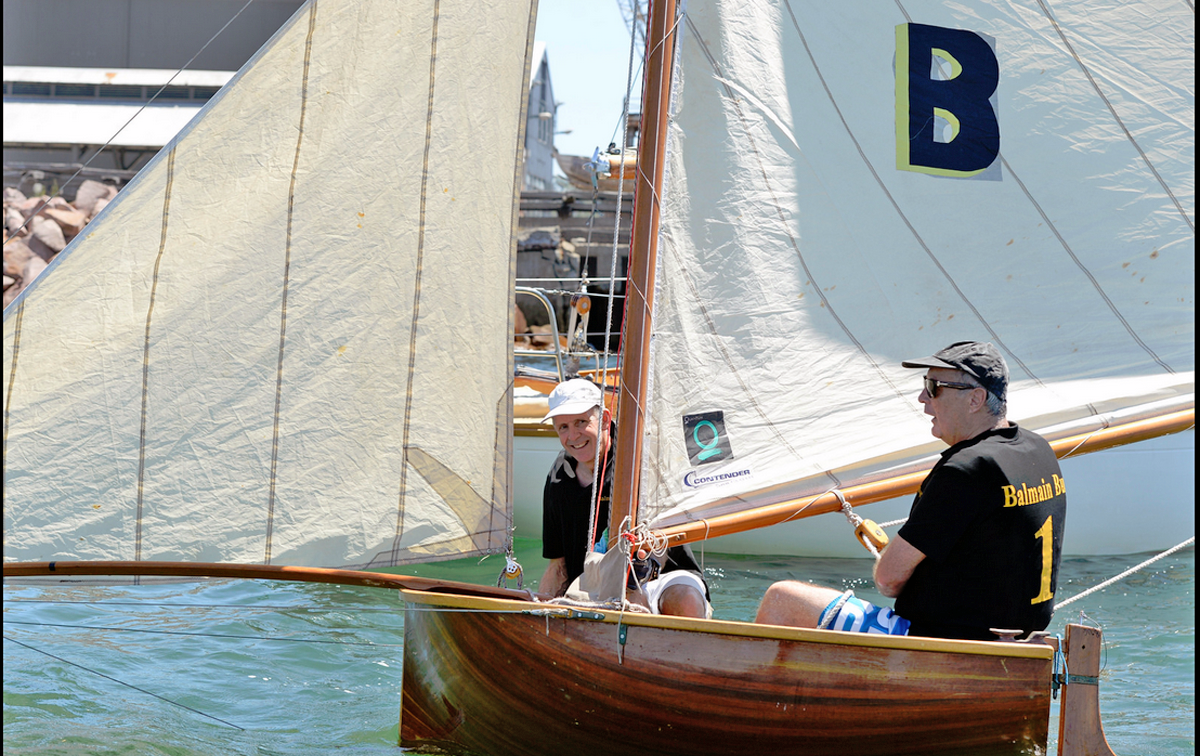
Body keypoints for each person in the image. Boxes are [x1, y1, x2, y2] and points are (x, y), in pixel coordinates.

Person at [755, 341, 1066, 641]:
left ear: (976, 399)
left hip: (940, 644)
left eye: (934, 387)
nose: (922, 397)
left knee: (782, 599)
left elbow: (888, 581)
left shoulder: (966, 469)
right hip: (1019, 644)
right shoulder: (1038, 449)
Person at [538, 378, 712, 619]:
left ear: (606, 420)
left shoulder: (640, 457)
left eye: (581, 422)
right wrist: (541, 613)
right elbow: (558, 566)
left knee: (685, 599)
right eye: (563, 427)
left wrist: (631, 594)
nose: (573, 435)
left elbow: (660, 545)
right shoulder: (559, 477)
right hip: (592, 585)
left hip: (659, 575)